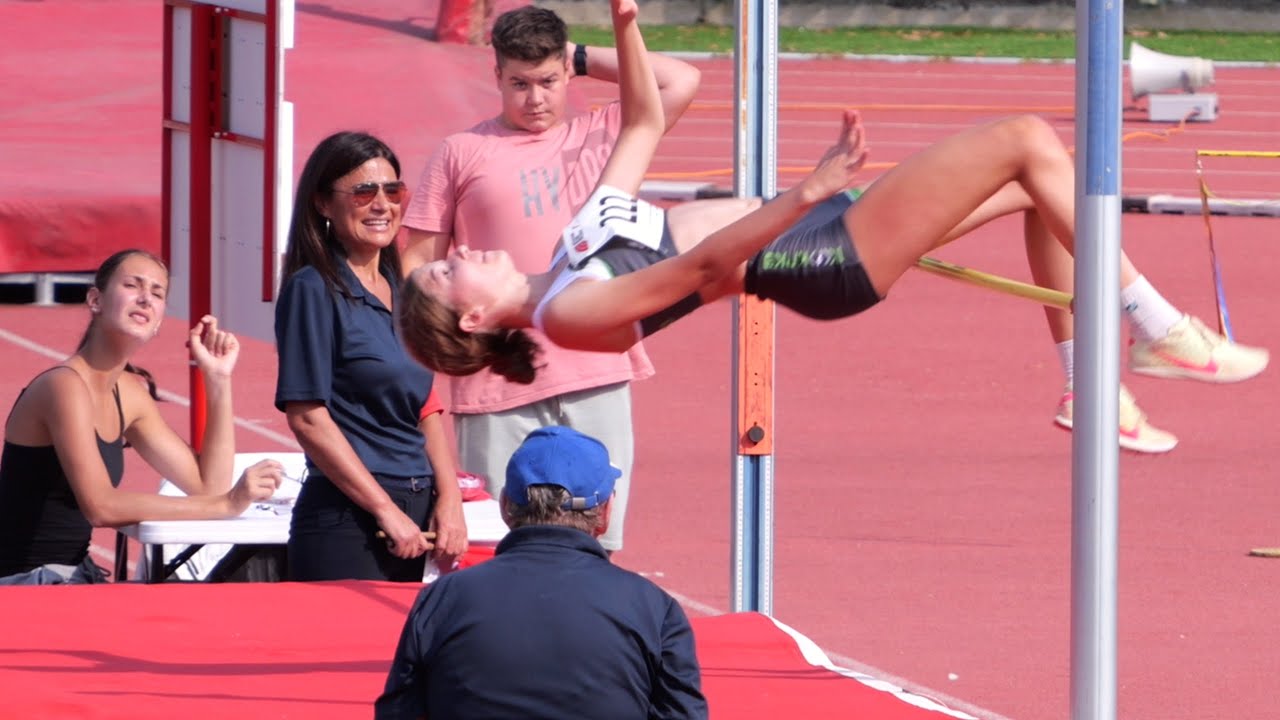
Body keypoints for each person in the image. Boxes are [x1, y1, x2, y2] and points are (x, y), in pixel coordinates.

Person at [396, 0, 1269, 454]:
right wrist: (806, 191)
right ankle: (1159, 330)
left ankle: (1091, 386)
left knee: (1042, 182)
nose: (454, 257)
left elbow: (642, 124)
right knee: (1025, 139)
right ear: (474, 319)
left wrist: (623, 27)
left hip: (812, 235)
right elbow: (704, 269)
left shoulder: (561, 261)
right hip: (814, 256)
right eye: (444, 276)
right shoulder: (568, 316)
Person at [399, 4, 702, 552]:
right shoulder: (462, 153)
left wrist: (581, 56)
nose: (535, 99)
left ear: (567, 74)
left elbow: (680, 79)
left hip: (594, 368)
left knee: (598, 540)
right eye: (518, 83)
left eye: (547, 81)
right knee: (495, 540)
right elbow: (417, 272)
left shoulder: (605, 130)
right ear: (496, 76)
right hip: (498, 385)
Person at [375, 425, 707, 720]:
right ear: (605, 512)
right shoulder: (653, 608)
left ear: (505, 507)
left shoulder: (442, 598)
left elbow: (398, 710)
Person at [0, 249, 283, 585]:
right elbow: (101, 507)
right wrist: (226, 504)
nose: (146, 298)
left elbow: (208, 487)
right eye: (132, 286)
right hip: (28, 583)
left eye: (157, 292)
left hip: (75, 575)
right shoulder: (63, 386)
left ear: (160, 320)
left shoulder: (128, 393)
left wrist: (219, 381)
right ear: (95, 300)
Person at [274, 131, 466, 582]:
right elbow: (307, 416)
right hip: (348, 521)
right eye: (364, 191)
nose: (382, 204)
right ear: (323, 204)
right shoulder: (313, 289)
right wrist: (384, 509)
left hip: (414, 511)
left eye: (393, 190)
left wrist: (449, 498)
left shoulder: (402, 290)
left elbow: (425, 405)